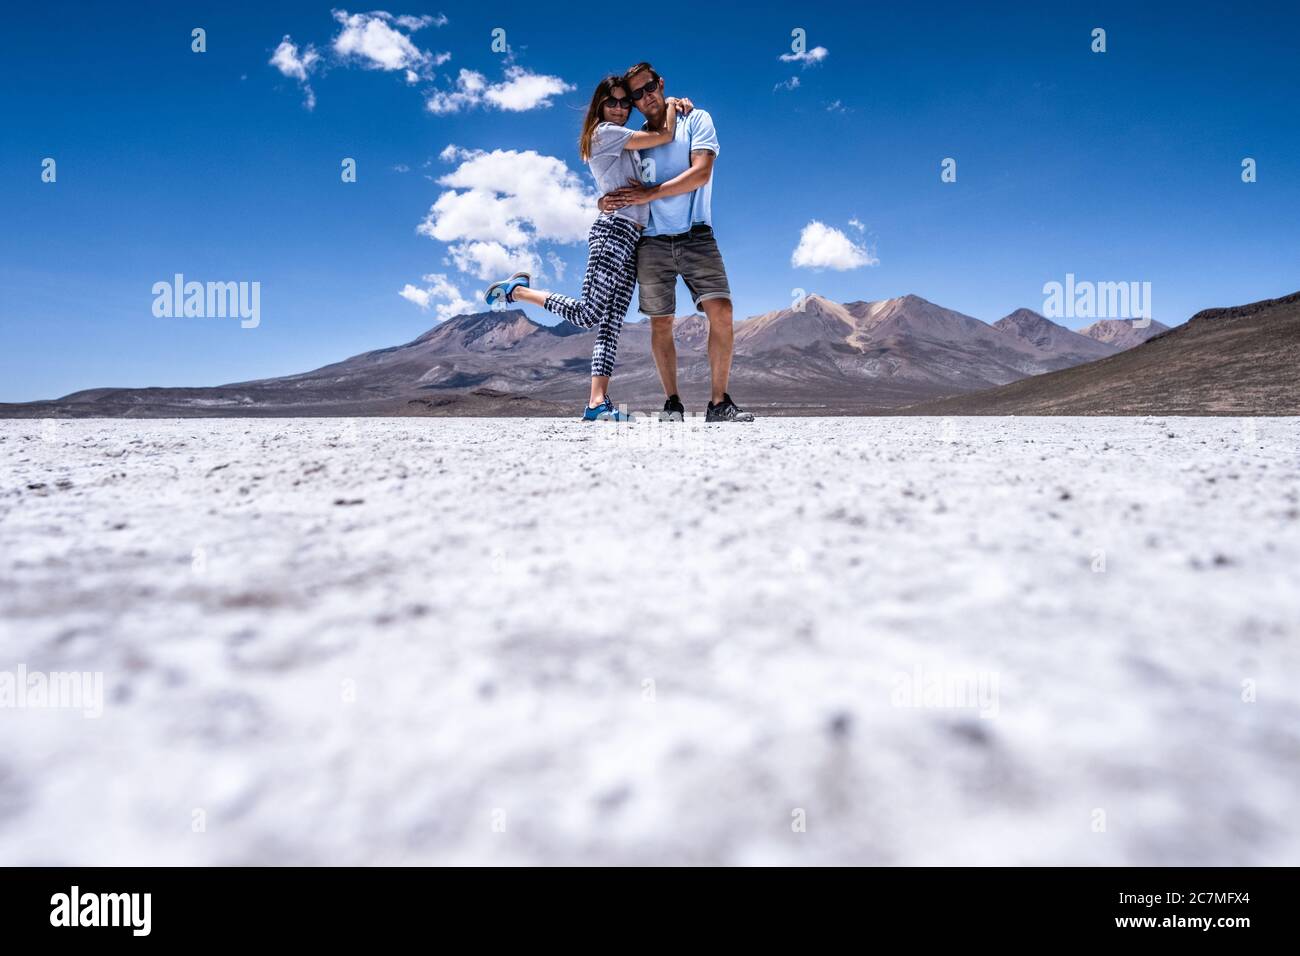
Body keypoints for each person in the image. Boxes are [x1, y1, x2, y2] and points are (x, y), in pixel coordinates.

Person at [484, 76, 691, 421]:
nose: (621, 109)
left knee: (611, 325)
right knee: (589, 314)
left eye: (626, 103)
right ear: (599, 105)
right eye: (613, 102)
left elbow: (644, 150)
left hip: (632, 235)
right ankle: (517, 291)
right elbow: (664, 135)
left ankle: (596, 403)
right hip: (613, 231)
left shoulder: (621, 136)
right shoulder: (604, 132)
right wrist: (670, 104)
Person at [599, 61, 753, 423]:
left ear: (660, 83)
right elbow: (617, 185)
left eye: (649, 87)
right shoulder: (635, 143)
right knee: (661, 322)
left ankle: (718, 403)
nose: (645, 96)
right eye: (636, 94)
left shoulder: (695, 120)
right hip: (651, 242)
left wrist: (649, 193)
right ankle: (673, 403)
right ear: (634, 103)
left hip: (697, 234)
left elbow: (700, 173)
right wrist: (604, 202)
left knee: (722, 312)